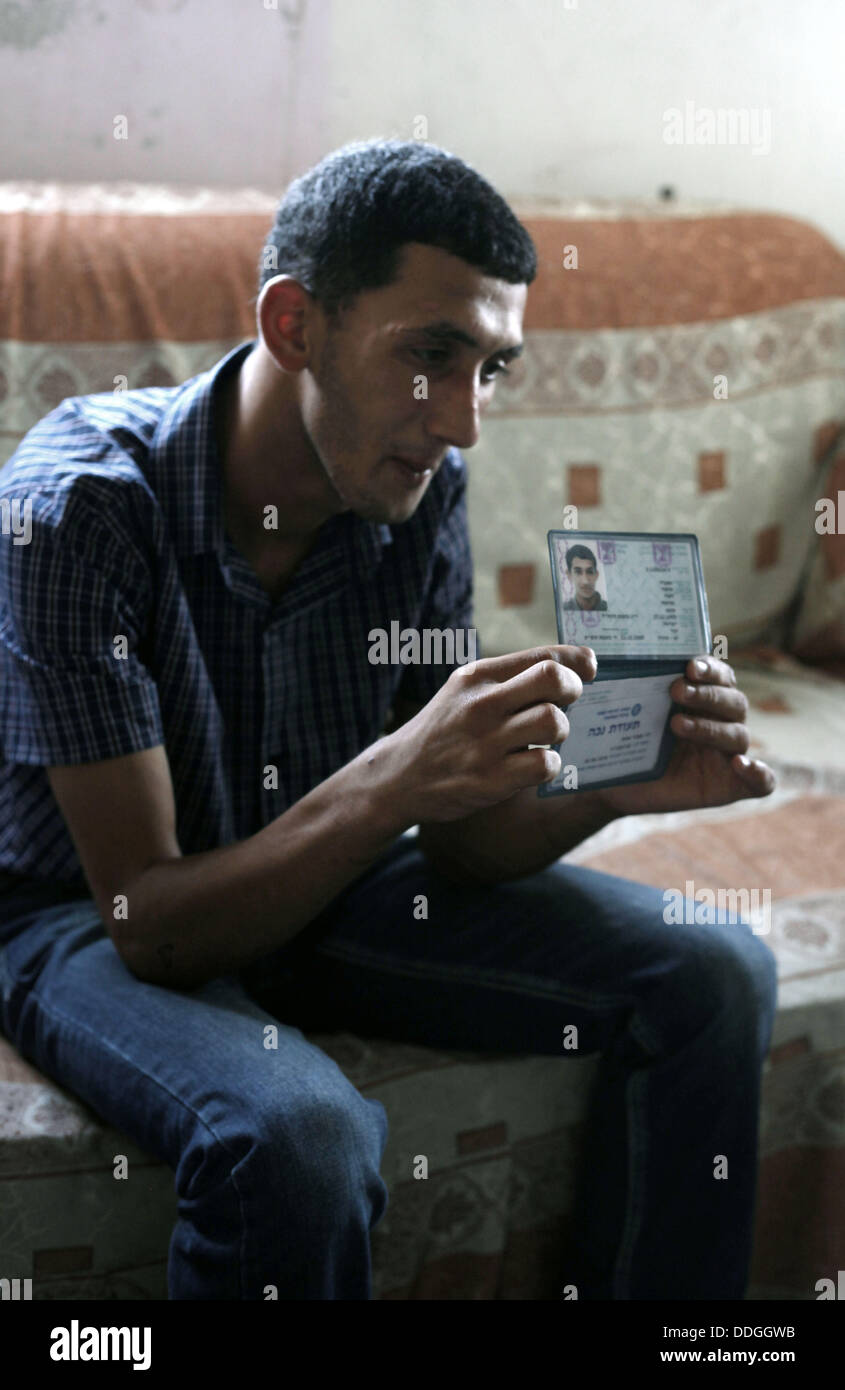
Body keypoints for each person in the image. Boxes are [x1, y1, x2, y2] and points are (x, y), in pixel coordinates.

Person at [0, 138, 777, 1301]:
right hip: (82, 912)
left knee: (716, 969)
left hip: (336, 874)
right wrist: (398, 780)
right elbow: (148, 924)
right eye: (431, 355)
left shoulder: (411, 484)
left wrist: (606, 784)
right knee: (299, 1137)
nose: (463, 422)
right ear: (294, 325)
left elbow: (457, 843)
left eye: (492, 368)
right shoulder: (74, 511)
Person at [562, 544, 608, 611]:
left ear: (596, 575)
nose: (585, 581)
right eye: (578, 572)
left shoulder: (609, 607)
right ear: (569, 575)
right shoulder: (563, 610)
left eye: (590, 572)